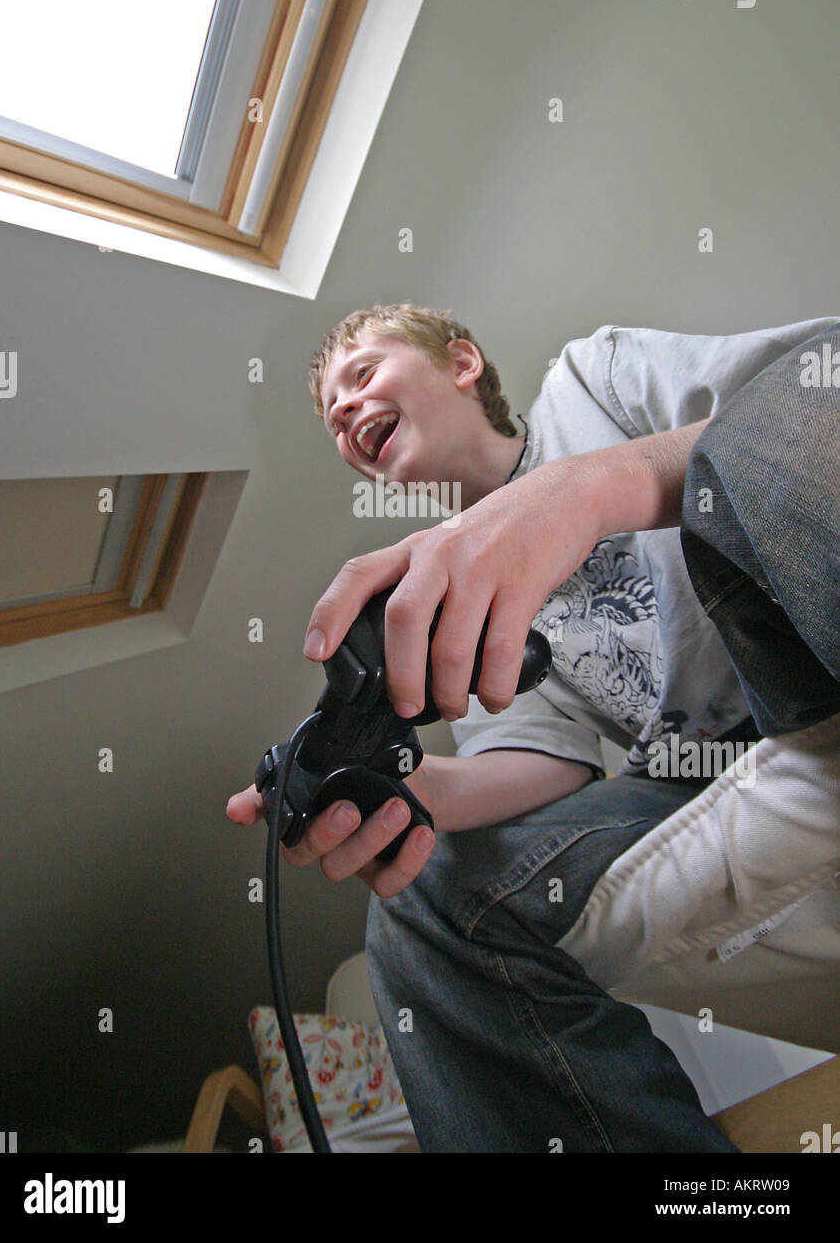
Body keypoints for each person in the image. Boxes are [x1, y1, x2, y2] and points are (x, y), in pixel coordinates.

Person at [228, 303, 840, 1152]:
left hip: (807, 649)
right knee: (421, 905)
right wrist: (403, 785)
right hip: (699, 779)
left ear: (463, 362)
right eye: (333, 415)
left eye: (361, 375)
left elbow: (818, 389)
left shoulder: (595, 380)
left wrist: (591, 487)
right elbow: (545, 763)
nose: (343, 411)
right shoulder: (445, 600)